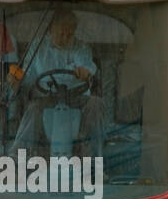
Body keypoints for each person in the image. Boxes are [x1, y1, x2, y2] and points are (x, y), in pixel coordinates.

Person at [7, 9, 105, 158]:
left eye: (69, 34)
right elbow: (27, 77)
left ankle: (95, 161)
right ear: (51, 29)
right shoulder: (37, 48)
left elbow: (87, 66)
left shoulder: (81, 48)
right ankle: (16, 159)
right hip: (46, 99)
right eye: (61, 33)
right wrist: (17, 81)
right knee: (33, 108)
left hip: (77, 99)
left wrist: (85, 72)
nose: (65, 37)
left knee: (96, 104)